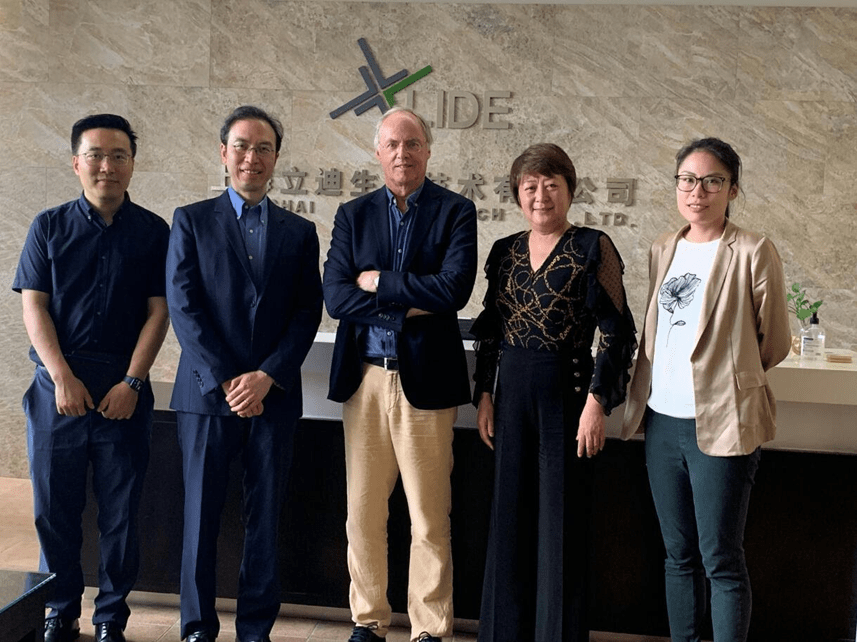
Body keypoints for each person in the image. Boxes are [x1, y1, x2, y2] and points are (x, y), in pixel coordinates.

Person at [621, 138, 791, 642]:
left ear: (732, 189)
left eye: (712, 180)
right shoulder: (663, 248)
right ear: (677, 186)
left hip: (721, 424)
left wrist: (727, 381)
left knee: (721, 559)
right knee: (678, 556)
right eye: (687, 180)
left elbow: (774, 341)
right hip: (661, 423)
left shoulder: (753, 250)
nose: (698, 191)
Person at [166, 105, 323, 642]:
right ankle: (195, 627)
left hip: (273, 397)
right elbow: (183, 307)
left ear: (276, 158)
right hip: (207, 395)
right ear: (223, 152)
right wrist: (231, 379)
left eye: (263, 148)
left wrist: (266, 377)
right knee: (200, 519)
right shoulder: (189, 219)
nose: (251, 157)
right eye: (241, 146)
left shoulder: (300, 232)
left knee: (264, 522)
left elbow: (307, 311)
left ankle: (255, 629)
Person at [13, 114, 170, 642]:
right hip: (56, 388)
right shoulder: (48, 227)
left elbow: (159, 312)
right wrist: (60, 377)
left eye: (119, 155)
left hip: (121, 391)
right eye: (96, 155)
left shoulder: (153, 232)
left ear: (132, 163)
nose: (107, 166)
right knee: (55, 509)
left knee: (121, 513)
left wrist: (133, 382)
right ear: (77, 162)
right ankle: (58, 608)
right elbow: (34, 307)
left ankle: (110, 617)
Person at [323, 106, 477, 642]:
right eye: (392, 144)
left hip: (426, 384)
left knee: (429, 517)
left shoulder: (457, 211)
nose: (402, 154)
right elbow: (337, 296)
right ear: (377, 152)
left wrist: (379, 283)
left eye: (412, 144)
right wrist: (407, 298)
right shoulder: (353, 214)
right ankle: (368, 620)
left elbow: (453, 290)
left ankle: (429, 627)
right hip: (364, 380)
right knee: (362, 513)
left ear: (428, 151)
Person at [471, 143, 637, 641]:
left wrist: (597, 402)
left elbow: (618, 332)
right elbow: (492, 332)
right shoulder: (504, 251)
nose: (540, 196)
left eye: (551, 185)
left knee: (559, 528)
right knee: (509, 525)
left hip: (567, 398)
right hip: (511, 397)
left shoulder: (593, 246)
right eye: (529, 187)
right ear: (517, 194)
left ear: (569, 189)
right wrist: (485, 394)